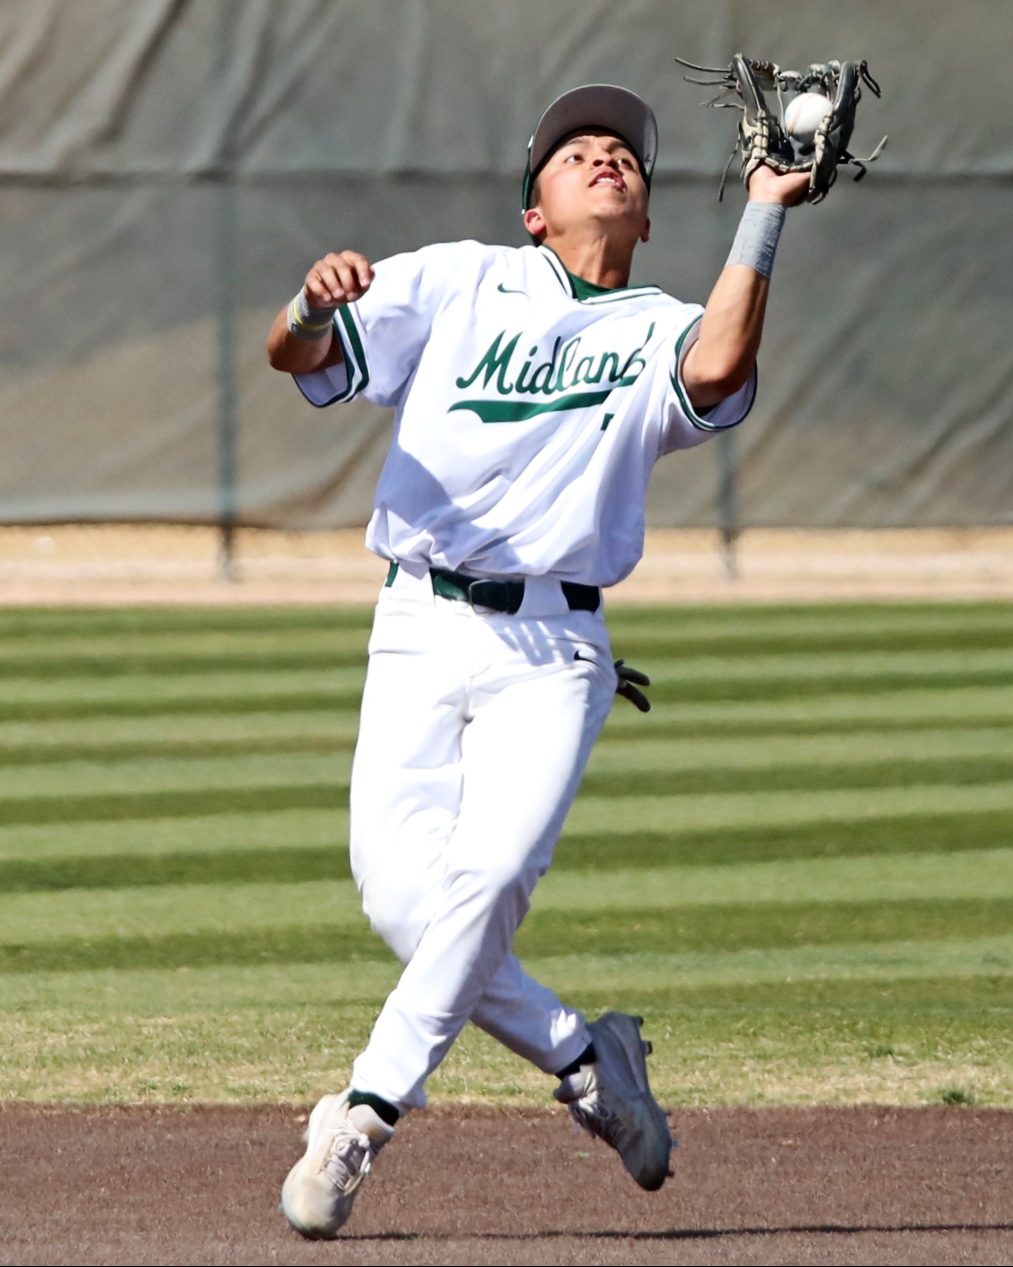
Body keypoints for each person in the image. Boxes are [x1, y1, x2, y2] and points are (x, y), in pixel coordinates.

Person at [266, 84, 809, 1239]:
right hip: (417, 623)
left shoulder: (659, 321)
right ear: (533, 212)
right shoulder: (458, 279)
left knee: (491, 873)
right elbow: (295, 359)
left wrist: (764, 208)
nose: (606, 158)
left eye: (624, 155)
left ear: (649, 217)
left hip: (555, 646)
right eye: (577, 153)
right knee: (404, 901)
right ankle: (583, 1051)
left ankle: (361, 1115)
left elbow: (714, 373)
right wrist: (311, 305)